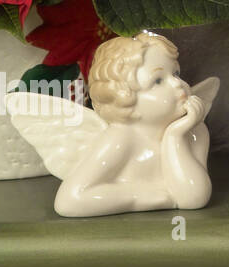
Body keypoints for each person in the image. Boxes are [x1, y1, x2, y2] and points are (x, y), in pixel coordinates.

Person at [55, 32, 216, 217]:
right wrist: (139, 196)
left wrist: (174, 136)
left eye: (176, 73)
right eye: (157, 80)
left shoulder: (194, 131)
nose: (178, 84)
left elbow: (193, 197)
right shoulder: (121, 138)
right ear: (125, 99)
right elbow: (69, 200)